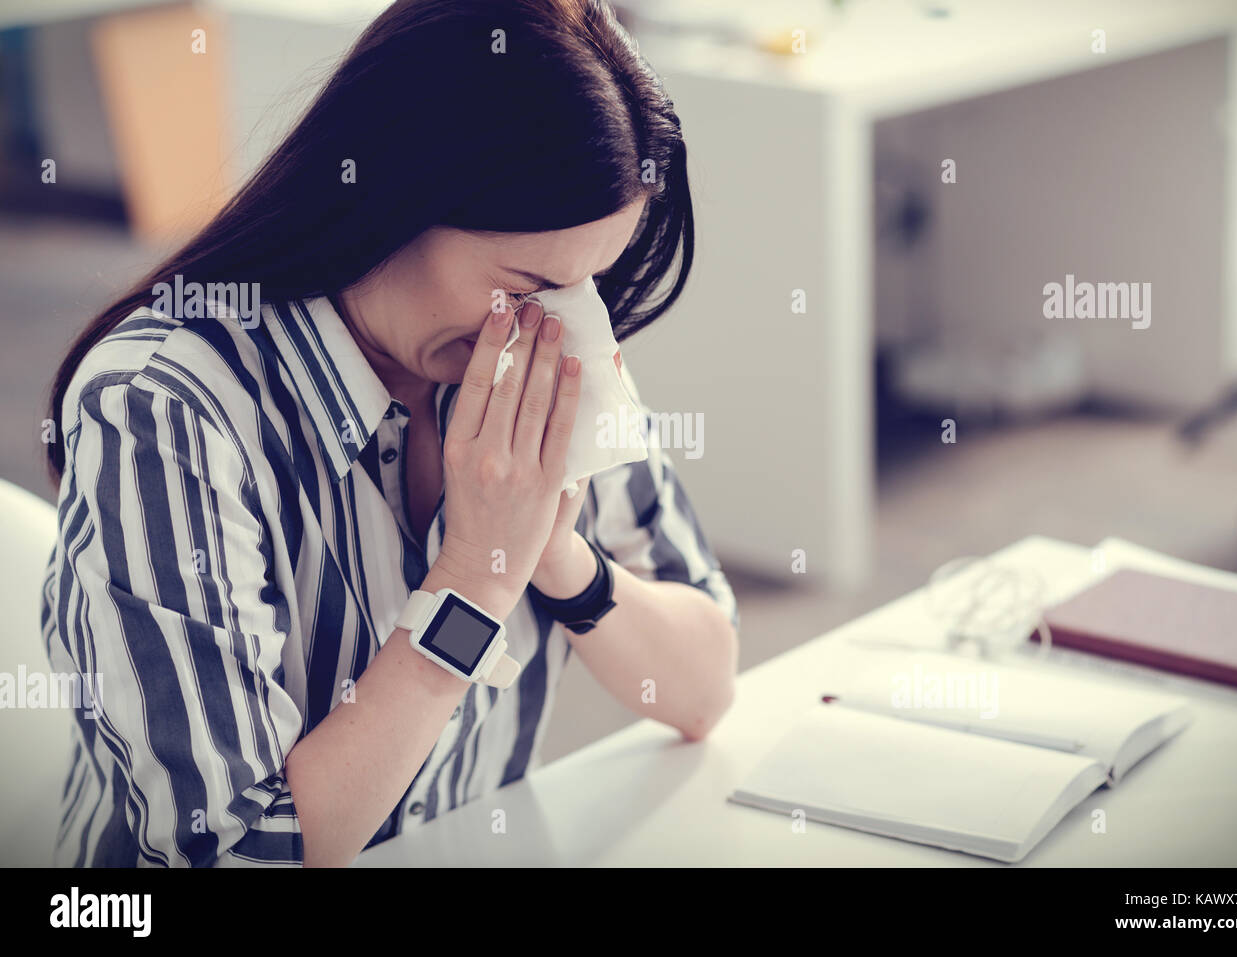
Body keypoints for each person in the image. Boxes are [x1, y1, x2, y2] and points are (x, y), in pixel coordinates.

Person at [40, 0, 737, 867]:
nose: (559, 325)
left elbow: (704, 689)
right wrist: (474, 581)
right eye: (526, 286)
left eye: (587, 282)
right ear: (393, 199)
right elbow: (236, 853)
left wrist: (557, 556)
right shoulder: (163, 410)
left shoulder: (534, 345)